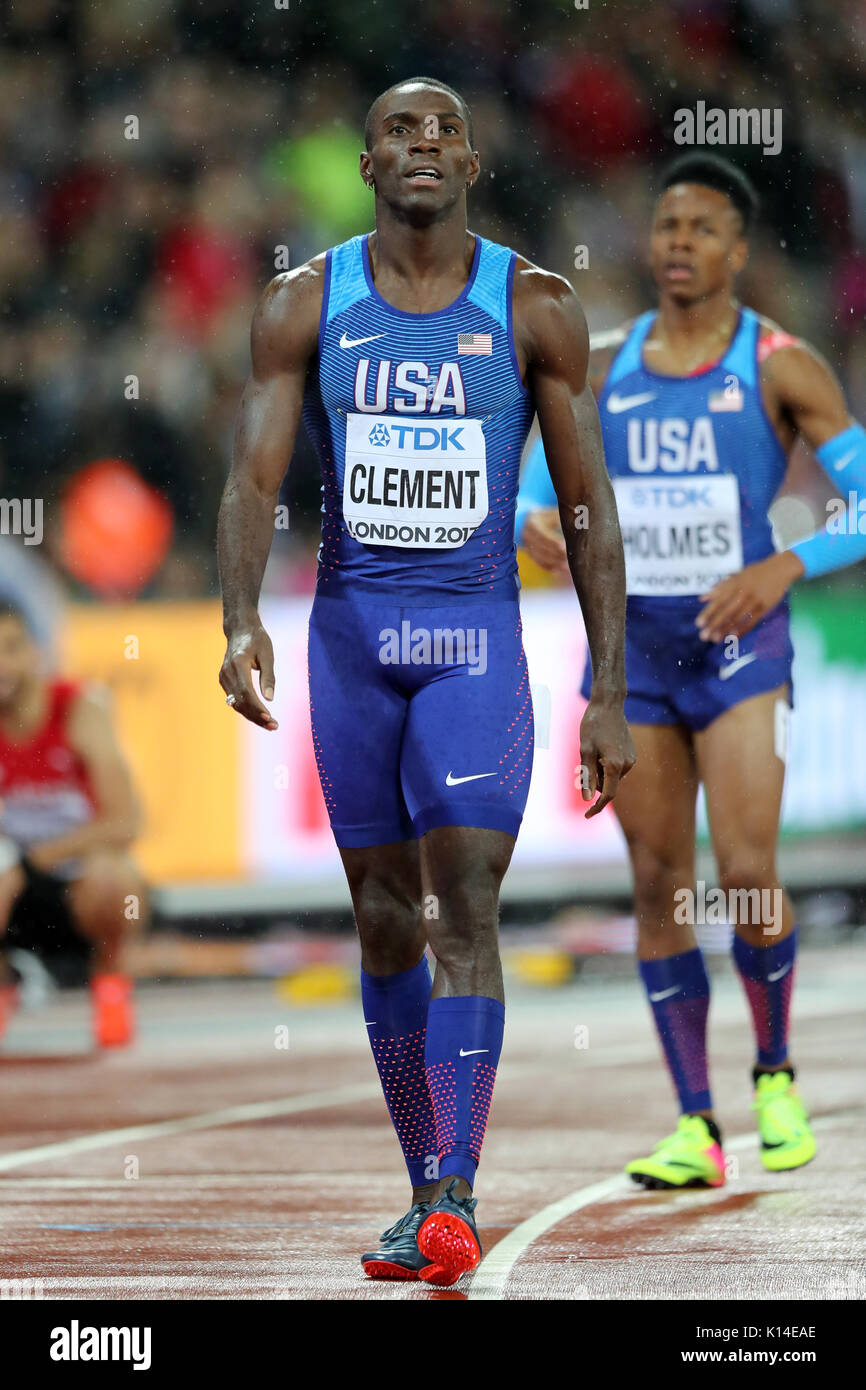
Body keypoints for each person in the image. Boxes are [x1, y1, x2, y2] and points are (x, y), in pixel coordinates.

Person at [218, 76, 634, 1286]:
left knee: (463, 905)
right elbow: (253, 479)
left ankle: (454, 1190)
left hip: (471, 644)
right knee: (383, 916)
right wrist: (240, 616)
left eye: (443, 128)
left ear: (471, 162)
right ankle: (424, 1185)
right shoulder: (305, 302)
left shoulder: (536, 306)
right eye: (398, 129)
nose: (422, 144)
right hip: (349, 641)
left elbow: (585, 507)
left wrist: (608, 690)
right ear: (364, 165)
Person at [516, 152, 866, 1188]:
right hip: (633, 661)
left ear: (737, 250)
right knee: (657, 882)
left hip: (738, 649)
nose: (677, 242)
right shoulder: (602, 365)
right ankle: (692, 1124)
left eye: (700, 228)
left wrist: (781, 564)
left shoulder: (778, 365)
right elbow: (532, 494)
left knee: (748, 871)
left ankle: (772, 1075)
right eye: (665, 225)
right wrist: (535, 521)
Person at [0, 601, 145, 1048]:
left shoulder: (80, 709)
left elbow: (125, 821)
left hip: (74, 880)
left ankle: (110, 978)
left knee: (112, 880)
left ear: (36, 654)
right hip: (11, 885)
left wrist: (35, 859)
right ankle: (5, 982)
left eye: (11, 648)